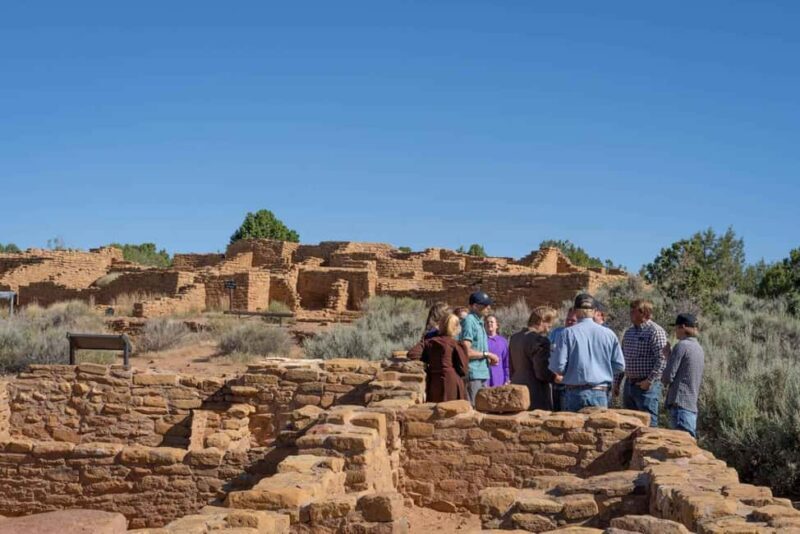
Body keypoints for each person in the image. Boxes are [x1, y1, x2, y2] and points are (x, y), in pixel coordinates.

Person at [550, 293, 625, 411]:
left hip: (574, 393)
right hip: (600, 393)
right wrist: (601, 370)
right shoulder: (609, 334)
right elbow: (620, 366)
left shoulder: (566, 334)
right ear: (594, 311)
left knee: (574, 423)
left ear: (575, 311)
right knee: (598, 423)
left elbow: (558, 367)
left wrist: (572, 371)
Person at [616, 299, 668, 427]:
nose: (630, 313)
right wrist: (617, 383)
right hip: (629, 385)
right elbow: (622, 359)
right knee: (629, 424)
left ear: (644, 313)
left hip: (646, 387)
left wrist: (649, 381)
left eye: (633, 311)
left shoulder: (655, 331)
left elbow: (662, 359)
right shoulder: (629, 333)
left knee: (648, 424)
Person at [407, 313, 470, 402]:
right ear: (455, 328)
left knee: (434, 407)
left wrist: (428, 362)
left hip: (434, 381)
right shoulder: (455, 344)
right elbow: (463, 369)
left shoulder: (429, 342)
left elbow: (412, 354)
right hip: (451, 381)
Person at [662, 313, 705, 437]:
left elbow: (668, 376)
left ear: (683, 327)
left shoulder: (681, 346)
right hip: (690, 406)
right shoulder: (698, 348)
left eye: (676, 327)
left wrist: (667, 358)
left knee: (679, 444)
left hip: (680, 406)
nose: (675, 331)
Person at [509, 306, 557, 410]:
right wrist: (555, 378)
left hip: (517, 389)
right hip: (536, 394)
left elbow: (511, 367)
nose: (550, 326)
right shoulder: (539, 340)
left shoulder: (515, 338)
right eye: (549, 323)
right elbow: (541, 372)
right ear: (541, 321)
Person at [458, 291, 499, 405]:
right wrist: (487, 354)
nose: (488, 307)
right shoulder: (469, 321)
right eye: (485, 305)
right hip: (473, 374)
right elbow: (466, 351)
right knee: (474, 408)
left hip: (481, 373)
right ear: (475, 306)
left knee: (481, 408)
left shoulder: (479, 322)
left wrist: (486, 359)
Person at [548, 307, 577, 411]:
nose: (569, 322)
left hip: (572, 382)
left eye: (573, 320)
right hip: (556, 380)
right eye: (567, 319)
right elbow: (549, 351)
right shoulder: (556, 332)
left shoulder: (580, 335)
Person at [485, 314, 510, 387]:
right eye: (487, 322)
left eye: (491, 322)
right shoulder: (481, 340)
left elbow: (506, 362)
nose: (489, 324)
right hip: (485, 379)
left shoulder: (503, 341)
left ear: (497, 325)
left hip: (499, 378)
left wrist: (507, 379)